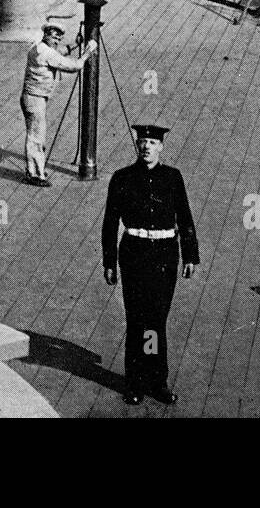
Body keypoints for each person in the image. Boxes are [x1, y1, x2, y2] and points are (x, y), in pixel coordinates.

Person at [102, 124, 199, 405]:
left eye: (152, 143)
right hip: (134, 255)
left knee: (156, 321)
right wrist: (110, 262)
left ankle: (157, 381)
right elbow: (110, 223)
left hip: (165, 257)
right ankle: (135, 382)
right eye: (142, 141)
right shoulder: (122, 178)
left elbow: (185, 217)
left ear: (161, 147)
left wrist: (190, 255)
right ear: (137, 145)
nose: (146, 147)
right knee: (137, 320)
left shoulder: (172, 178)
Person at [19, 23, 95, 186]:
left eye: (59, 38)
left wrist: (76, 44)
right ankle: (36, 175)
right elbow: (74, 66)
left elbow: (58, 53)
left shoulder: (38, 47)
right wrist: (88, 51)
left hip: (31, 97)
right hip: (35, 99)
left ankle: (34, 169)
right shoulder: (47, 54)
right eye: (54, 37)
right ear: (46, 34)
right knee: (37, 138)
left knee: (35, 136)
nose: (57, 40)